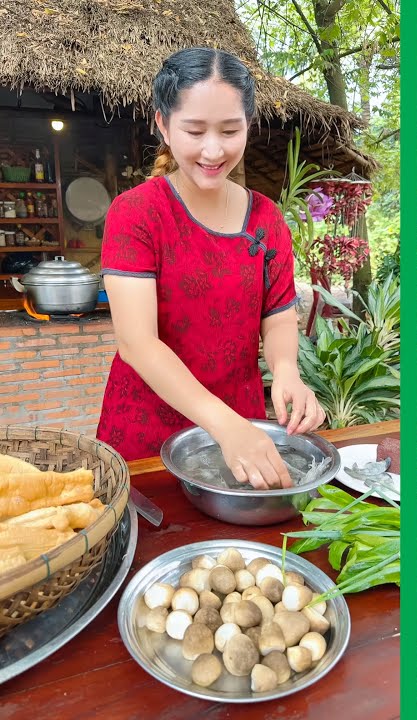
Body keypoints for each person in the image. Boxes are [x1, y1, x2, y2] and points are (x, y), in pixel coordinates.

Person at [98, 48, 324, 485]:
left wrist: (287, 372)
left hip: (244, 430)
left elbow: (277, 317)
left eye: (230, 130)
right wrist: (225, 426)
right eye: (195, 131)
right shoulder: (137, 213)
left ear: (249, 126)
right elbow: (137, 344)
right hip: (148, 432)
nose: (213, 149)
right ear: (163, 125)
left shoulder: (266, 219)